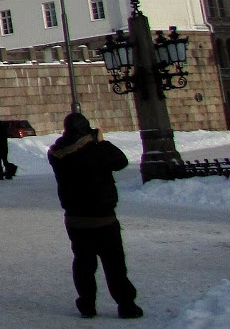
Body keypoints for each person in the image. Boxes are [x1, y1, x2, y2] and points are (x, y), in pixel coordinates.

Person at [49, 112, 141, 319]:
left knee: (83, 263)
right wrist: (101, 141)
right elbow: (120, 161)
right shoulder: (95, 150)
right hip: (103, 218)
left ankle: (87, 304)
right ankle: (126, 304)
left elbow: (76, 151)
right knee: (114, 263)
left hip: (75, 219)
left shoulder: (56, 153)